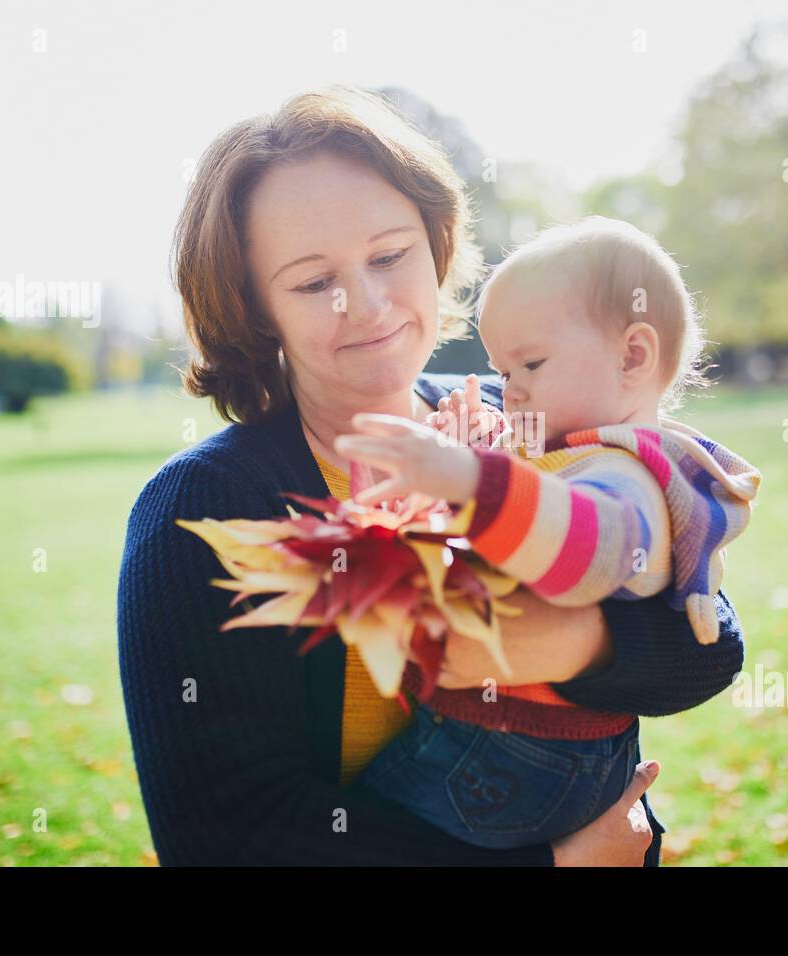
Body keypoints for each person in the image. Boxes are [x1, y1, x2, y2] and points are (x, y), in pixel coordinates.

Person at [116, 86, 745, 865]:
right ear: (253, 308)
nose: (369, 303)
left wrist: (576, 644)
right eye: (314, 283)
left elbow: (709, 639)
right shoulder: (203, 506)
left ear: (436, 242)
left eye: (389, 255)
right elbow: (224, 837)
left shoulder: (525, 415)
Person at [337, 217, 761, 849]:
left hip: (523, 745)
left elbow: (588, 552)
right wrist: (469, 455)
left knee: (361, 832)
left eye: (530, 364)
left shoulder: (630, 475)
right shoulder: (572, 446)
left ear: (632, 356)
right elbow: (524, 495)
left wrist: (469, 478)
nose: (511, 393)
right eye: (502, 373)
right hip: (524, 741)